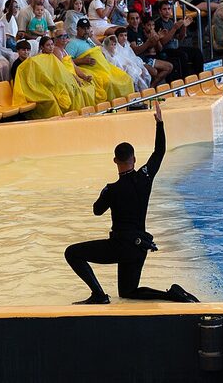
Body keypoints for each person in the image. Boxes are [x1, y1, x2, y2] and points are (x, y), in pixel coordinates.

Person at [64, 101, 199, 305]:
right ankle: (171, 294)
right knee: (128, 291)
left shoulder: (112, 189)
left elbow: (96, 211)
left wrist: (104, 193)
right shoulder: (144, 178)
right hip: (140, 246)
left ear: (115, 161)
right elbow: (159, 152)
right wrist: (159, 123)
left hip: (119, 246)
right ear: (134, 159)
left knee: (72, 253)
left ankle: (99, 295)